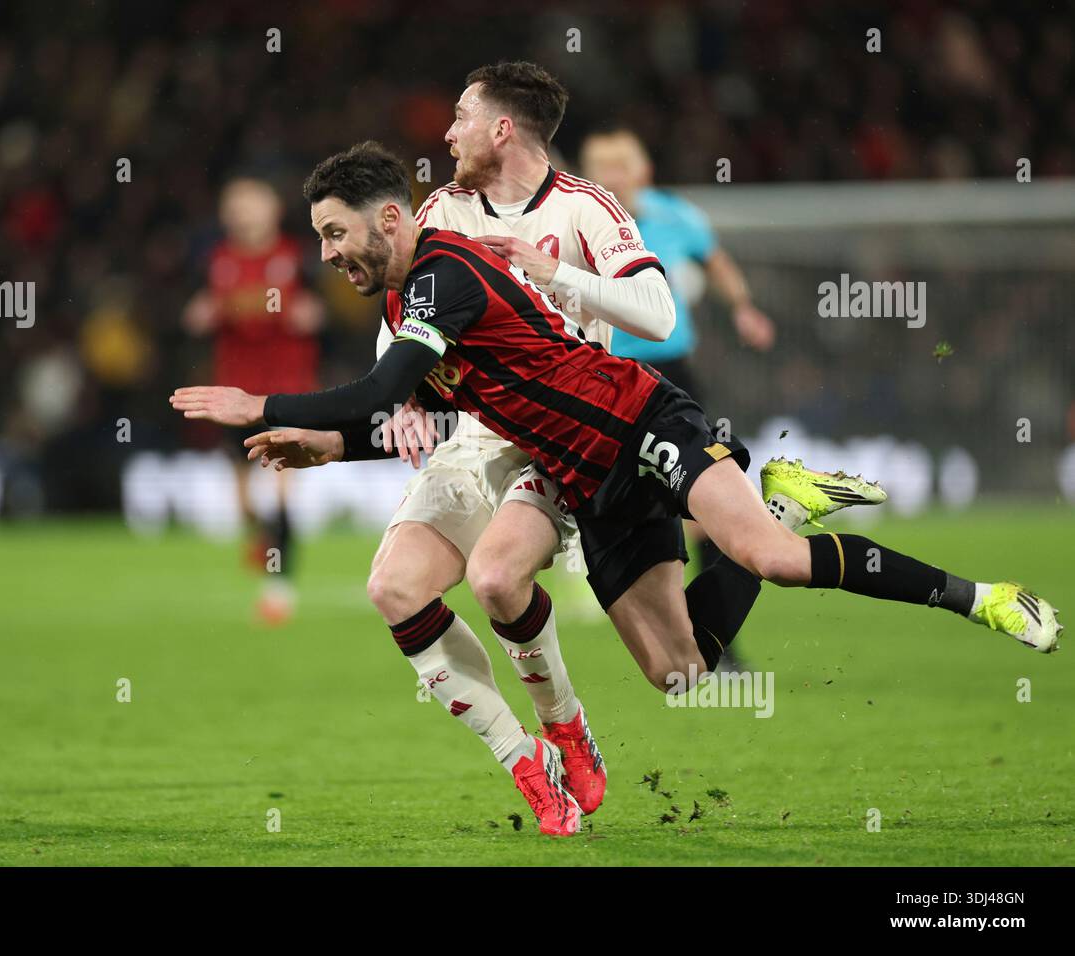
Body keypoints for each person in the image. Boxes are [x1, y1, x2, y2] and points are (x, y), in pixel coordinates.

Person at [172, 142, 1062, 835]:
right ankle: (785, 495)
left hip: (642, 424)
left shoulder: (445, 274)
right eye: (320, 235)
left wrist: (265, 401)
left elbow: (375, 392)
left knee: (773, 560)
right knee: (683, 674)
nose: (325, 252)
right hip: (581, 479)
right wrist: (332, 444)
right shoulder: (406, 304)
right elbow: (402, 412)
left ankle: (980, 597)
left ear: (393, 220)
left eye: (334, 232)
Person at [580, 127, 775, 587]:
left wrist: (744, 307)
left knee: (707, 488)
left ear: (643, 173)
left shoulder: (674, 216)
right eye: (601, 172)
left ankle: (715, 630)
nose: (612, 180)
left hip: (673, 374)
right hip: (606, 375)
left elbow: (715, 260)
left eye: (620, 168)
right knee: (610, 497)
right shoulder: (579, 221)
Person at [182, 176, 323, 624]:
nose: (242, 211)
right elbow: (201, 312)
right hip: (232, 394)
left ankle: (279, 589)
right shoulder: (218, 260)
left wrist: (310, 315)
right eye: (235, 204)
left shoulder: (295, 257)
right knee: (243, 501)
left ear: (272, 209)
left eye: (251, 202)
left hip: (284, 390)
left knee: (280, 485)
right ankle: (265, 545)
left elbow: (318, 310)